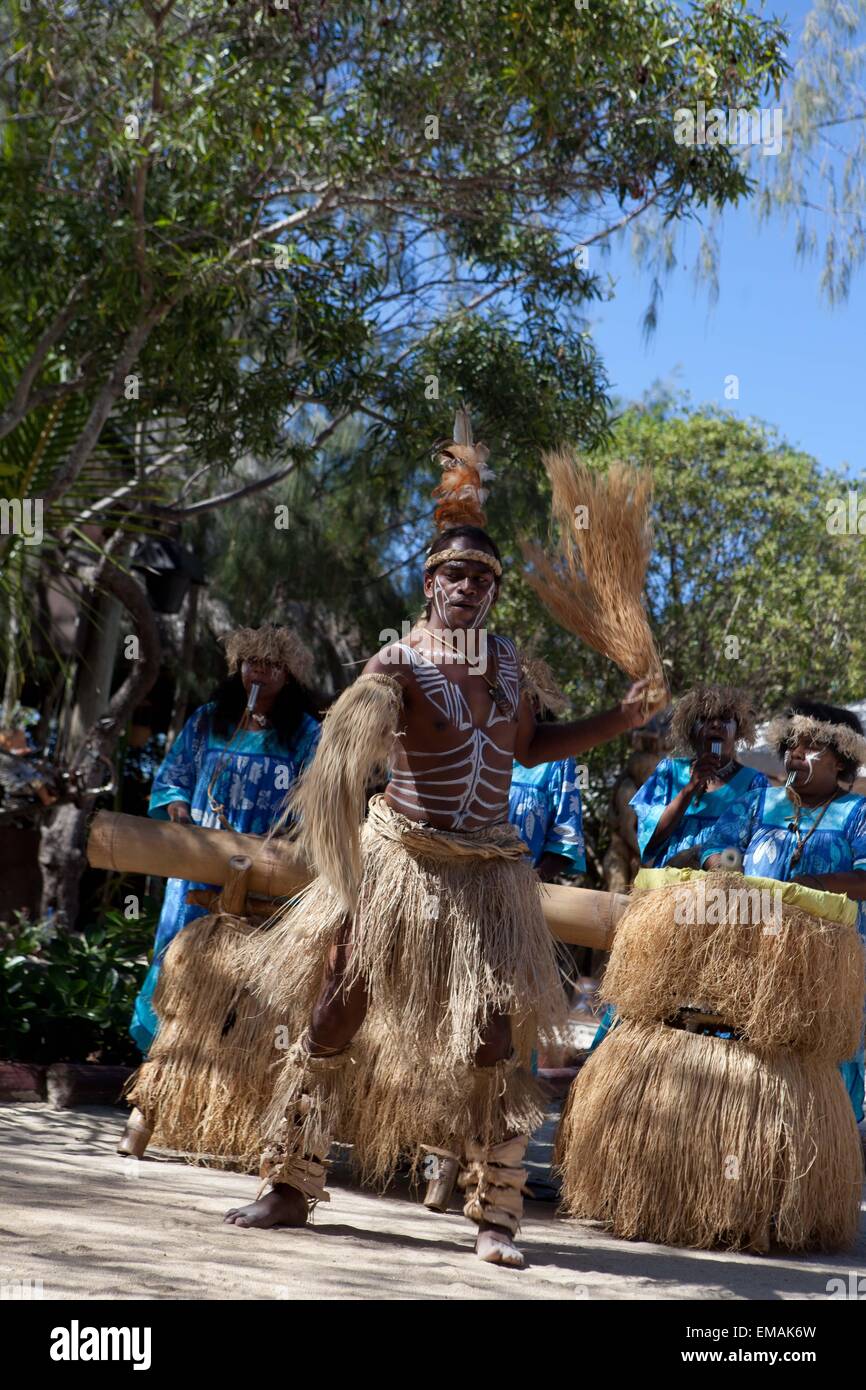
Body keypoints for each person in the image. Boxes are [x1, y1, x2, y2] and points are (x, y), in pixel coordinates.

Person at [222, 429, 666, 1268]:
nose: (466, 585)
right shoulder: (398, 661)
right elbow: (357, 734)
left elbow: (531, 747)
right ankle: (288, 1183)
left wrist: (623, 718)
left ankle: (495, 1212)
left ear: (495, 593)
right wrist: (358, 730)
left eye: (482, 577)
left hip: (490, 874)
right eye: (452, 573)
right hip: (402, 864)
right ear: (428, 584)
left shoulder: (510, 668)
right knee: (334, 1011)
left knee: (496, 1040)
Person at [129, 624, 320, 1053]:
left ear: (288, 676)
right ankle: (164, 1061)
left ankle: (229, 1073)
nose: (261, 673)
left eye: (273, 665)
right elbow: (175, 777)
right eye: (253, 663)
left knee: (248, 977)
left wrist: (291, 831)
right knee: (180, 960)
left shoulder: (306, 733)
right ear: (239, 668)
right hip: (199, 866)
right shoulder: (208, 720)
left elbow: (319, 794)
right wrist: (177, 807)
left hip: (265, 868)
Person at [702, 696, 866, 1120]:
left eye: (812, 746)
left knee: (818, 1062)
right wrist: (724, 866)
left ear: (841, 760)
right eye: (791, 743)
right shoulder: (761, 802)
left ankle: (820, 1153)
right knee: (748, 1056)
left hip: (827, 965)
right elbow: (718, 848)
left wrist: (805, 888)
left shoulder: (857, 812)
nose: (796, 752)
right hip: (754, 955)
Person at [590, 684, 767, 1050]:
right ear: (692, 730)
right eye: (704, 720)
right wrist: (688, 790)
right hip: (665, 900)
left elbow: (759, 848)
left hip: (721, 906)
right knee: (648, 990)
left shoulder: (757, 783)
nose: (715, 726)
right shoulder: (670, 772)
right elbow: (648, 843)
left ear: (739, 731)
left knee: (708, 998)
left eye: (726, 720)